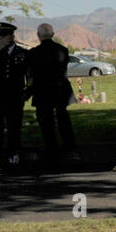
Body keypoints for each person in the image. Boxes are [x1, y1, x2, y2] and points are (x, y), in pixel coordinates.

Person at [28, 23, 78, 167]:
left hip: (42, 91)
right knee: (63, 118)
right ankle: (69, 147)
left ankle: (51, 149)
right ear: (53, 34)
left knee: (45, 121)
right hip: (60, 90)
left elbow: (32, 74)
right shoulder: (63, 50)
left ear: (38, 36)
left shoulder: (33, 53)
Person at [0, 21, 29, 171]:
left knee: (14, 126)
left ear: (12, 36)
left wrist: (27, 92)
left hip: (15, 96)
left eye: (4, 35)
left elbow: (29, 75)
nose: (1, 38)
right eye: (0, 35)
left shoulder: (22, 53)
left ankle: (13, 154)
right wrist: (1, 49)